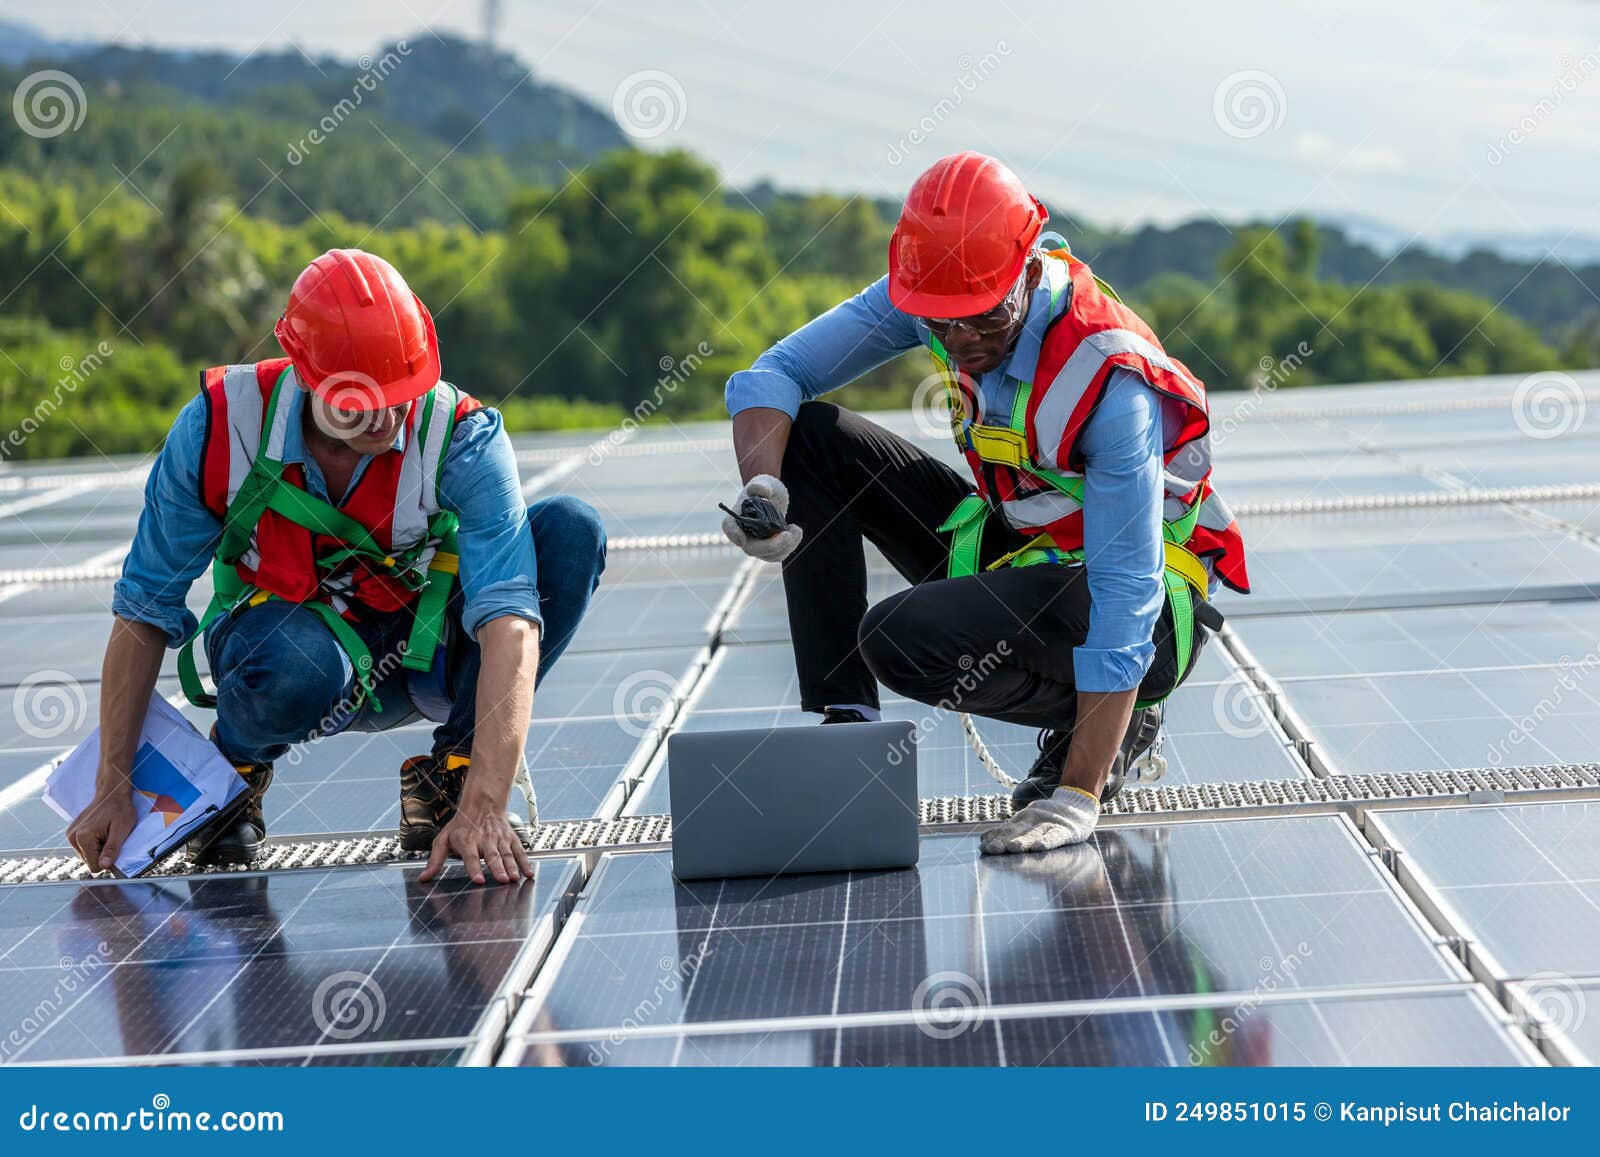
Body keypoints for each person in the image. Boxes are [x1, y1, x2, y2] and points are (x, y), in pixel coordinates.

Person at [719, 152, 1248, 856]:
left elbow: (1127, 589)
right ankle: (846, 724)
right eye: (941, 325)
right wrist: (763, 486)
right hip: (1025, 555)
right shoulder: (941, 297)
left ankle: (1120, 719)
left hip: (1140, 612)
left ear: (1028, 271)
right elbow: (776, 373)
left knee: (897, 638)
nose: (962, 341)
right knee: (812, 438)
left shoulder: (1110, 378)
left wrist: (1077, 795)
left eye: (984, 322)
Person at [67, 249, 606, 885]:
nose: (387, 417)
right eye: (360, 401)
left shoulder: (460, 435)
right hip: (286, 659)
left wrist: (487, 801)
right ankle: (235, 773)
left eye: (400, 394)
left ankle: (451, 780)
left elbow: (509, 617)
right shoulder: (220, 428)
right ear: (304, 374)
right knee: (300, 666)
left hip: (421, 653)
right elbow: (144, 610)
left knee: (571, 531)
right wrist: (112, 787)